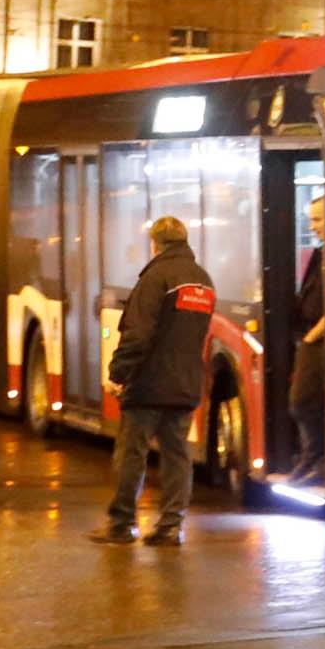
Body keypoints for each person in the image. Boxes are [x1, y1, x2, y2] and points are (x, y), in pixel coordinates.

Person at [102, 213, 216, 545]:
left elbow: (138, 335)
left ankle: (121, 524)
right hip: (186, 383)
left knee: (131, 454)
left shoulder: (155, 278)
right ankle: (170, 527)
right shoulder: (202, 280)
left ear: (155, 244)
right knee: (177, 456)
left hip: (149, 384)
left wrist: (118, 374)